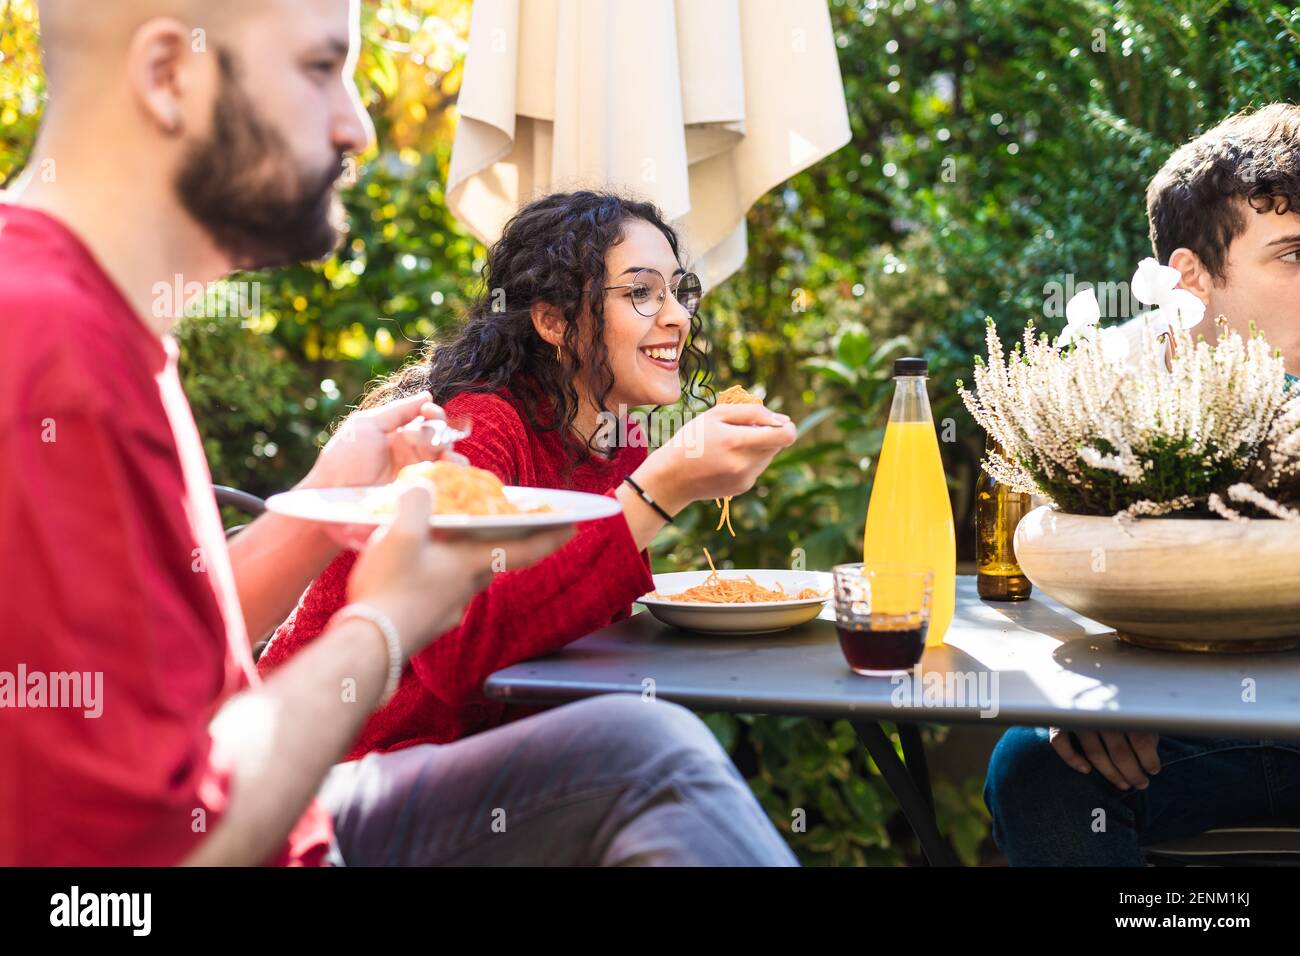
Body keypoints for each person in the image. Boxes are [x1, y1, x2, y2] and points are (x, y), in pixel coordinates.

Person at [0, 0, 797, 867]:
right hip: (291, 815)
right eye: (319, 67)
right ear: (168, 74)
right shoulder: (47, 345)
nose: (360, 126)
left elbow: (165, 657)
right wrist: (383, 623)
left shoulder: (105, 331)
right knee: (649, 758)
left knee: (641, 753)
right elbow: (130, 860)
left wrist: (316, 507)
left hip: (300, 811)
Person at [258, 189, 799, 755]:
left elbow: (575, 625)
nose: (677, 317)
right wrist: (658, 493)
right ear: (555, 321)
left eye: (676, 292)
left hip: (488, 765)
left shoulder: (620, 439)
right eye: (641, 292)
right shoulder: (478, 427)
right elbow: (456, 654)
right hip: (333, 771)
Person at [984, 103, 1300, 866]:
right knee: (1034, 766)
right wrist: (1084, 697)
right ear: (1190, 277)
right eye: (1292, 254)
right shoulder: (1096, 388)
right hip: (1171, 733)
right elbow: (1033, 573)